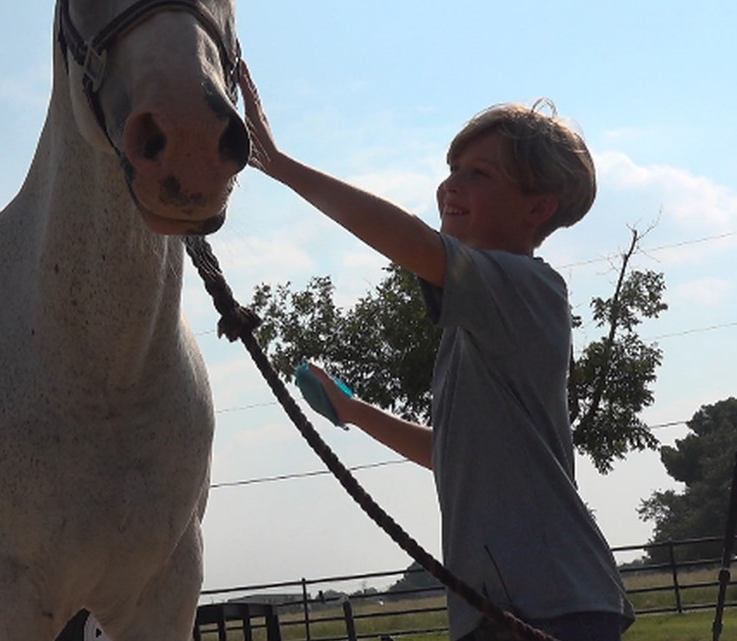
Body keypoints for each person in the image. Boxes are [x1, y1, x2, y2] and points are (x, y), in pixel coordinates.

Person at [237, 60, 634, 641]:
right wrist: (352, 411)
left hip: (553, 603)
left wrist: (280, 165)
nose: (451, 185)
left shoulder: (527, 289)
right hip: (501, 607)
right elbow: (447, 452)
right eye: (451, 169)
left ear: (538, 207)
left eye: (480, 174)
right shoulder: (472, 326)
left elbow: (413, 244)